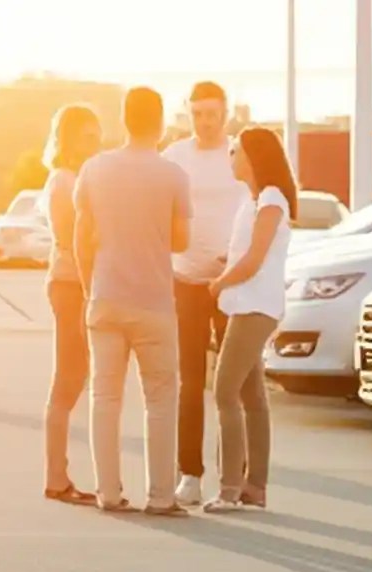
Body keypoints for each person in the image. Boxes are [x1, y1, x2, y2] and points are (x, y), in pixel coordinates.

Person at [73, 87, 190, 517]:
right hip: (154, 301)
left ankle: (108, 492)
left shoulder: (94, 169)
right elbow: (182, 240)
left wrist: (90, 287)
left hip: (105, 295)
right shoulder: (173, 175)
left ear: (124, 121)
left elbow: (80, 238)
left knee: (105, 397)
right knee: (160, 398)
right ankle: (161, 496)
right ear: (159, 123)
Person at [202, 127, 296, 513]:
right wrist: (227, 269)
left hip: (256, 307)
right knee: (252, 397)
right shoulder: (253, 199)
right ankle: (254, 487)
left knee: (225, 391)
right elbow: (250, 253)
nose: (231, 157)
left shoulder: (271, 198)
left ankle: (229, 489)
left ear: (254, 156)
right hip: (246, 303)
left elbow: (256, 258)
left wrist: (220, 282)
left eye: (236, 151)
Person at [163, 81, 247, 506]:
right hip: (184, 281)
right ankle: (189, 474)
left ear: (225, 112)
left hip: (230, 282)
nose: (205, 121)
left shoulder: (238, 154)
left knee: (234, 386)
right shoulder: (174, 157)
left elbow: (256, 213)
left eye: (211, 112)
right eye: (197, 113)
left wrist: (236, 261)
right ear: (188, 113)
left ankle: (236, 479)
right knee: (190, 381)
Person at [40, 104, 103, 505]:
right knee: (68, 379)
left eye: (98, 134)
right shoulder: (64, 181)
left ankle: (58, 474)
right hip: (70, 284)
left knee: (76, 377)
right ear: (67, 138)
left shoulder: (77, 178)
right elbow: (71, 239)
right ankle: (56, 478)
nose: (95, 142)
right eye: (87, 135)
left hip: (77, 283)